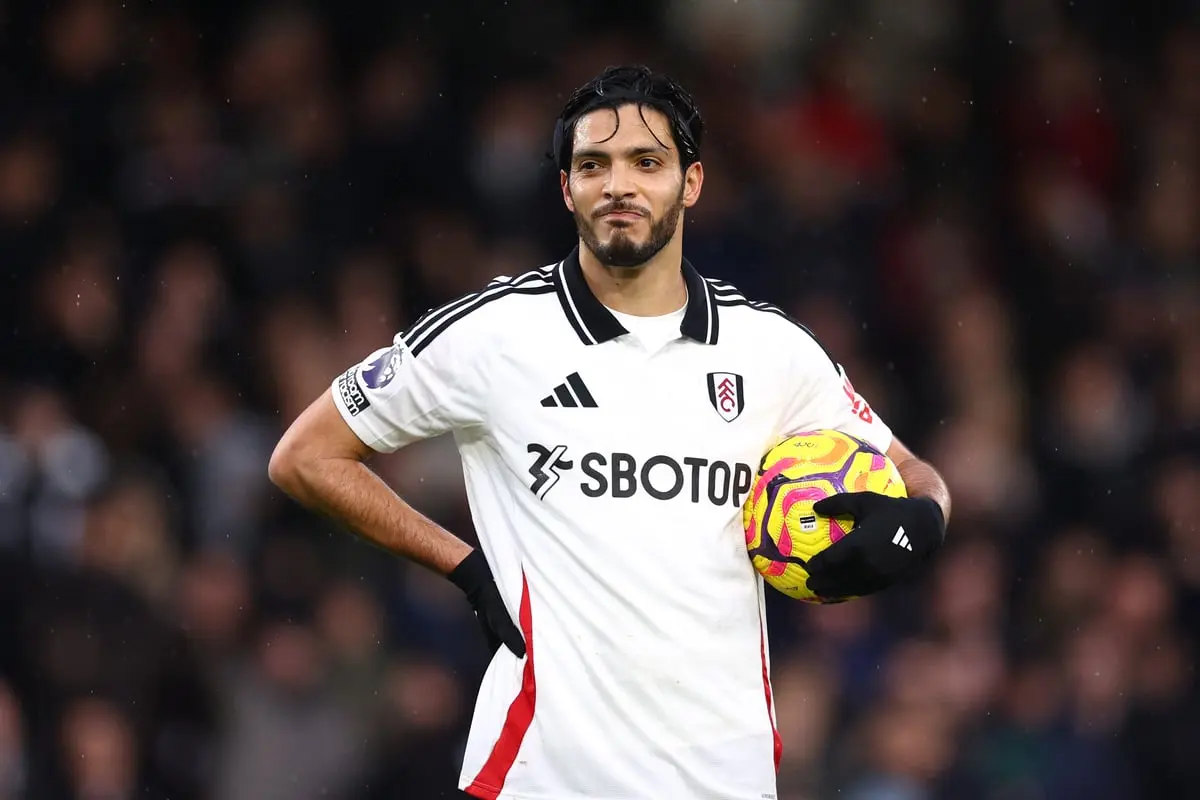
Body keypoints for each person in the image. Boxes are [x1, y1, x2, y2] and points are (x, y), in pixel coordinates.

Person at [268, 64, 952, 800]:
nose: (618, 185)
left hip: (725, 779)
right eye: (594, 164)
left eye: (646, 162)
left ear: (691, 182)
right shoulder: (493, 333)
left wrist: (919, 524)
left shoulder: (771, 350)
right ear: (567, 188)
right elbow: (305, 456)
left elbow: (916, 476)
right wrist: (462, 565)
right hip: (540, 779)